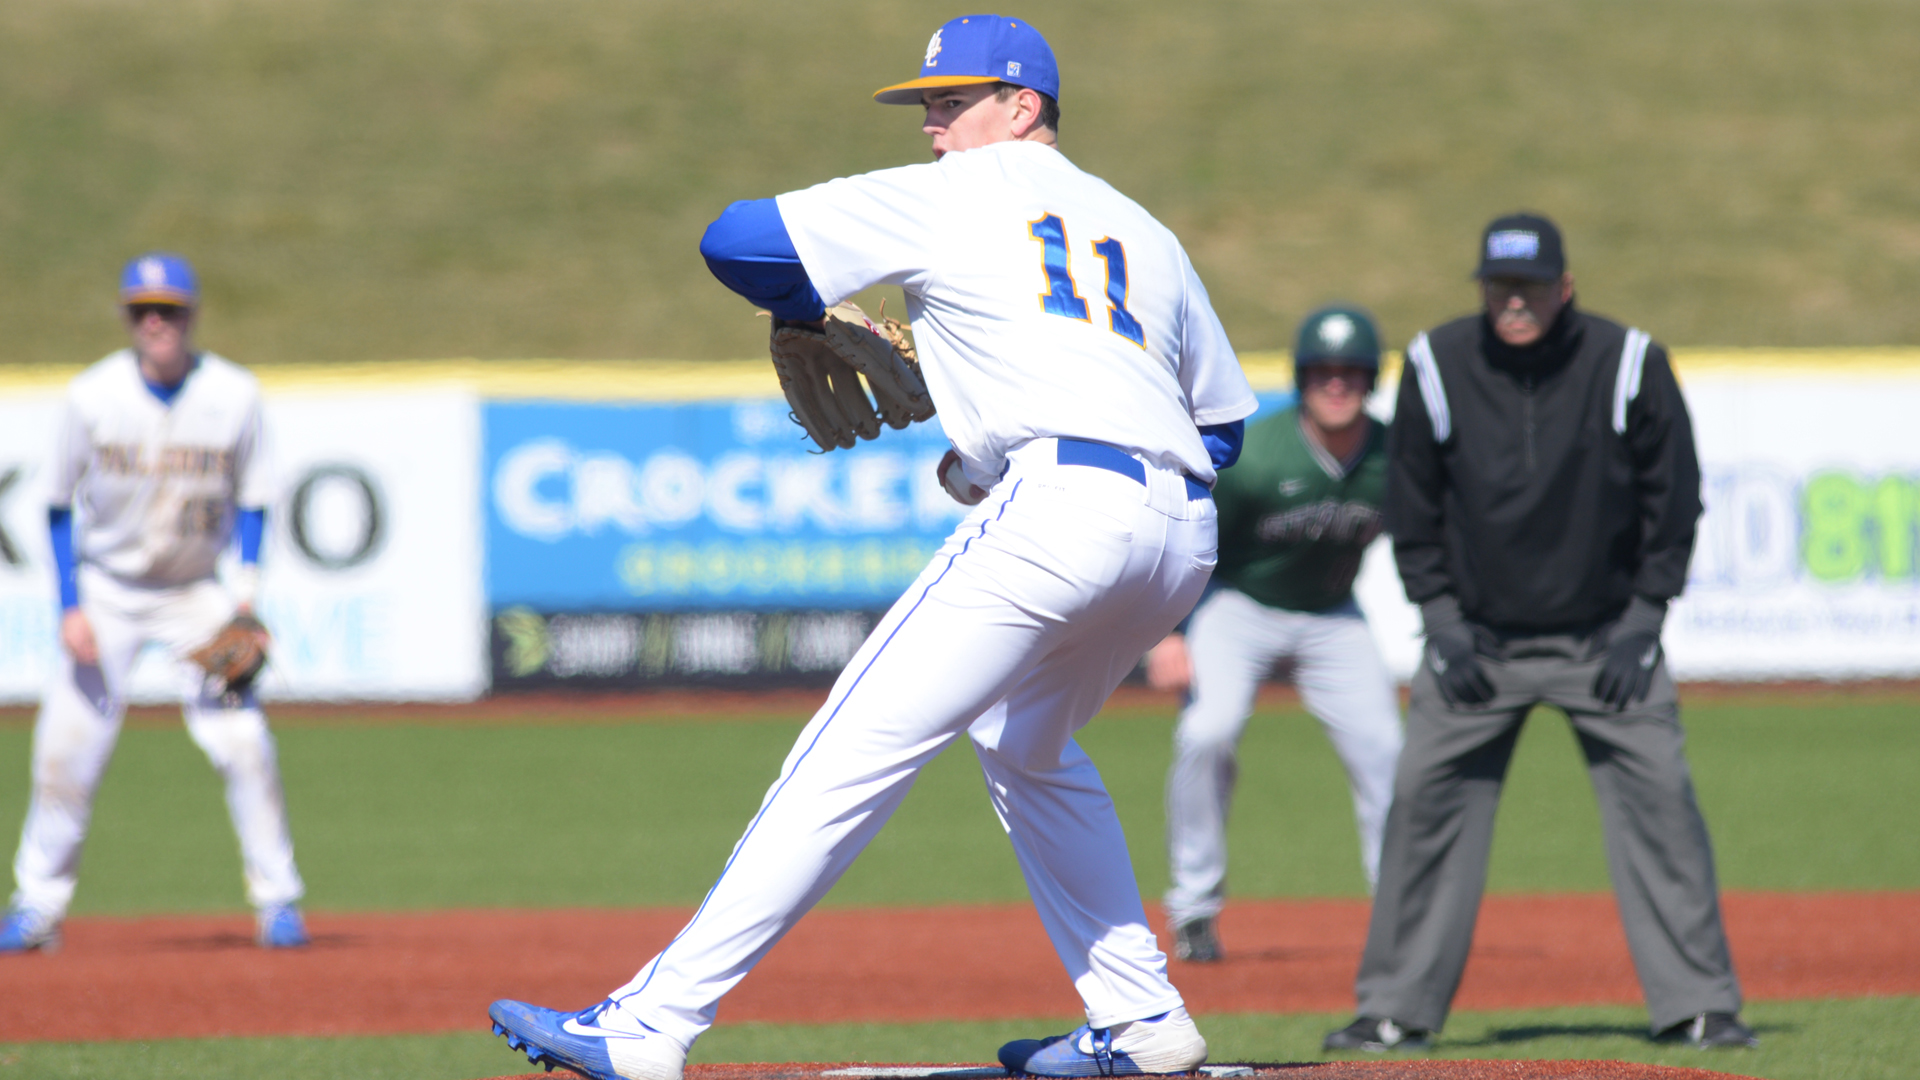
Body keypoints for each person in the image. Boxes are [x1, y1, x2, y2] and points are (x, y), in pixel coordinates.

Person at [486, 15, 1257, 1080]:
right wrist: (1034, 448)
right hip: (1179, 532)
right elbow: (1221, 429)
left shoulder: (964, 192)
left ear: (1021, 107)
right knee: (1022, 740)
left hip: (1059, 515)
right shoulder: (1146, 232)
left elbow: (738, 238)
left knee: (845, 753)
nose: (934, 129)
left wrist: (804, 310)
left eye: (951, 103)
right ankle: (1140, 1020)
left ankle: (649, 1024)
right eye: (929, 108)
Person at [1322, 214, 1756, 1053]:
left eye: (1529, 287)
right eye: (1498, 286)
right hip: (1476, 643)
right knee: (1423, 811)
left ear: (1565, 288)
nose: (1512, 301)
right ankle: (1393, 1010)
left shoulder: (1630, 364)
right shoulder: (1436, 365)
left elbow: (1677, 501)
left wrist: (1644, 620)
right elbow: (1412, 507)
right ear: (1483, 287)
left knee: (1663, 805)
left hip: (1606, 643)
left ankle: (1700, 1005)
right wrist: (1440, 618)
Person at [0, 253, 309, 954]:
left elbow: (257, 501)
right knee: (65, 751)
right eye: (143, 310)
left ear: (191, 315)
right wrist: (70, 606)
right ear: (127, 318)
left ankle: (278, 902)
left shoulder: (234, 394)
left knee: (244, 744)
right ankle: (37, 907)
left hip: (194, 593)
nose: (156, 321)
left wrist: (246, 598)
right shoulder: (92, 396)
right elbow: (53, 507)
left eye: (168, 308)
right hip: (108, 591)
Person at [1149, 304, 1404, 964]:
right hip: (1239, 606)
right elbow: (1188, 540)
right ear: (1302, 377)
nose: (1337, 383)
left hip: (1332, 615)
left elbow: (1435, 543)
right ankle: (1194, 910)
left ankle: (1402, 917)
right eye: (1323, 371)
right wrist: (1169, 631)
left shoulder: (1394, 457)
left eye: (1351, 371)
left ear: (1372, 378)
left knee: (1387, 749)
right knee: (1208, 730)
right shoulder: (1259, 456)